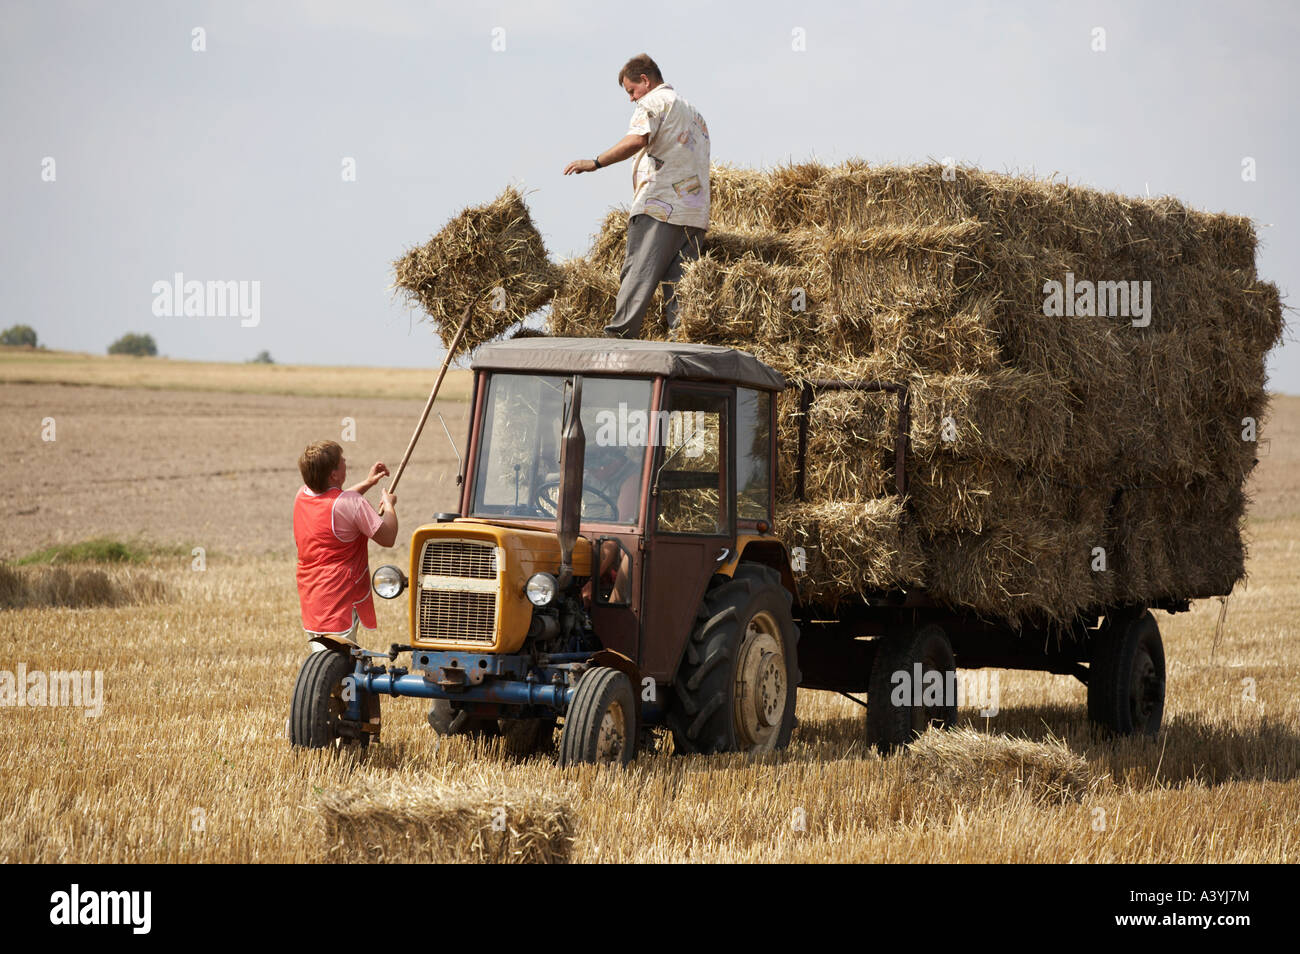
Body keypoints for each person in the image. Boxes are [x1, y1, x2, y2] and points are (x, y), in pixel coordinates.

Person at [563, 53, 710, 339]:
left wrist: (595, 163)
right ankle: (682, 340)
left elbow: (637, 139)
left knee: (639, 272)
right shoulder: (695, 114)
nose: (631, 98)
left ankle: (618, 335)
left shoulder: (653, 102)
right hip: (694, 215)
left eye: (631, 90)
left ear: (645, 80)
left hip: (659, 206)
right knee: (680, 284)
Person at [293, 440, 398, 651]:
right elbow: (388, 537)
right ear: (333, 474)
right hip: (339, 598)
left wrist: (368, 483)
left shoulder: (302, 494)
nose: (345, 461)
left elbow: (336, 499)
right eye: (341, 462)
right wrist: (389, 505)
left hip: (313, 596)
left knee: (323, 658)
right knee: (337, 665)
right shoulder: (351, 503)